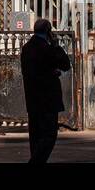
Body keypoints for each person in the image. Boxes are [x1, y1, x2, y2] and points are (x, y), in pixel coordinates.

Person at [20, 18, 71, 163]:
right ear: (48, 31)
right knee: (49, 134)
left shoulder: (27, 48)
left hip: (32, 98)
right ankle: (36, 161)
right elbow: (65, 64)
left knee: (35, 135)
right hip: (48, 98)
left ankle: (36, 158)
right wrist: (56, 46)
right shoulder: (48, 49)